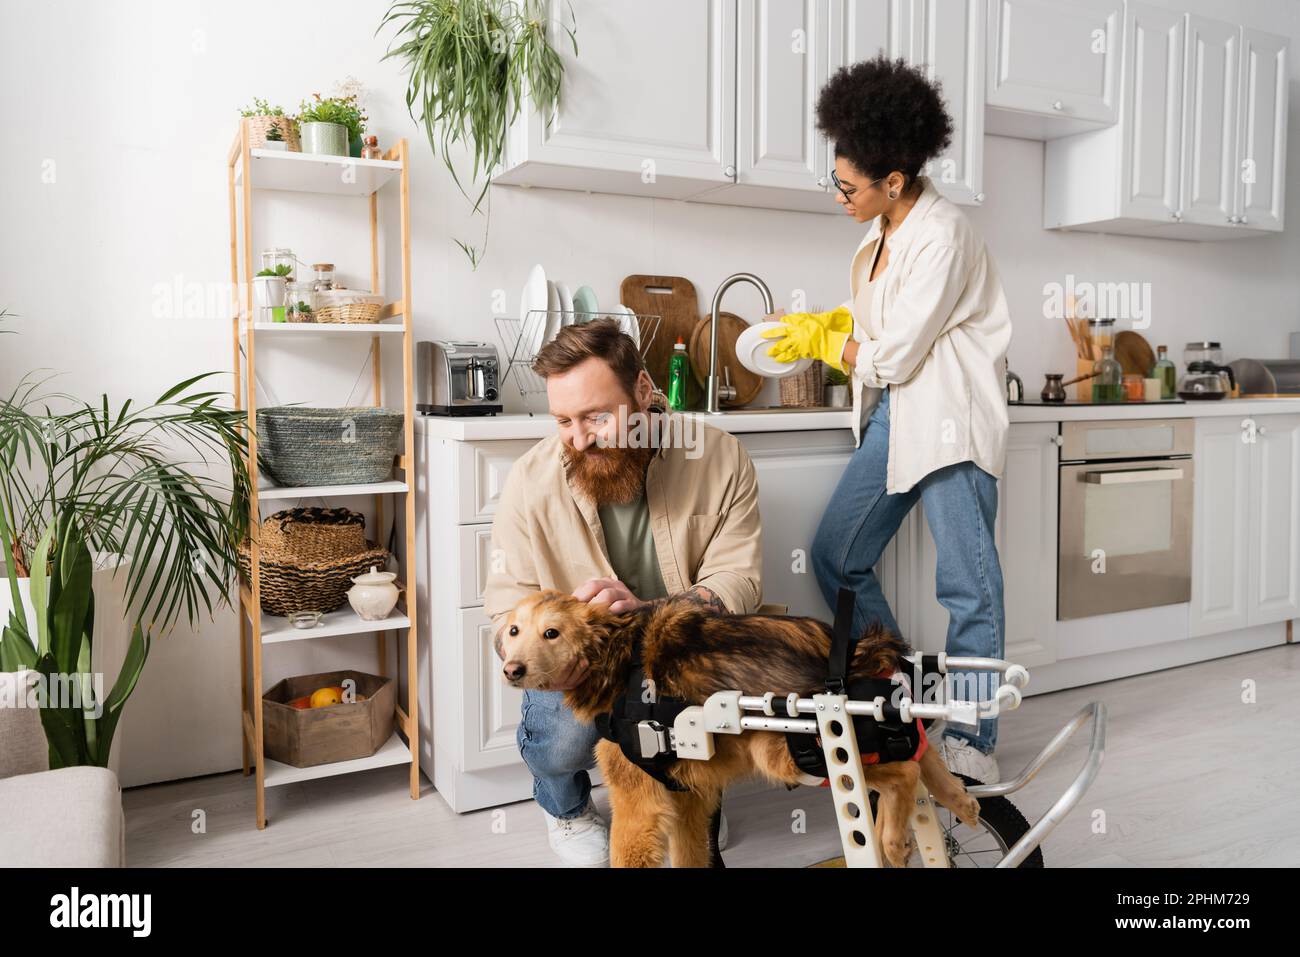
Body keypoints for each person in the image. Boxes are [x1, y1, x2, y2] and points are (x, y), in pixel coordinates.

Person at [762, 54, 1013, 784]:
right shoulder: (880, 233)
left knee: (969, 585)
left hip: (951, 422)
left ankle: (973, 735)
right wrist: (833, 321)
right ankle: (899, 684)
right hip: (900, 418)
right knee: (838, 555)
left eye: (847, 184)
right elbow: (888, 323)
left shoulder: (944, 233)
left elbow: (899, 352)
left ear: (894, 181)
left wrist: (824, 342)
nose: (837, 194)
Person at [484, 318, 763, 866]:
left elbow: (741, 582)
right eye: (564, 420)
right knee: (562, 740)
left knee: (709, 707)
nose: (580, 437)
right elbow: (504, 606)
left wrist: (648, 612)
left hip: (680, 652)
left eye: (595, 417)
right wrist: (543, 657)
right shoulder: (528, 479)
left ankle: (694, 795)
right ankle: (565, 809)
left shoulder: (720, 457)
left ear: (641, 392)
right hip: (579, 663)